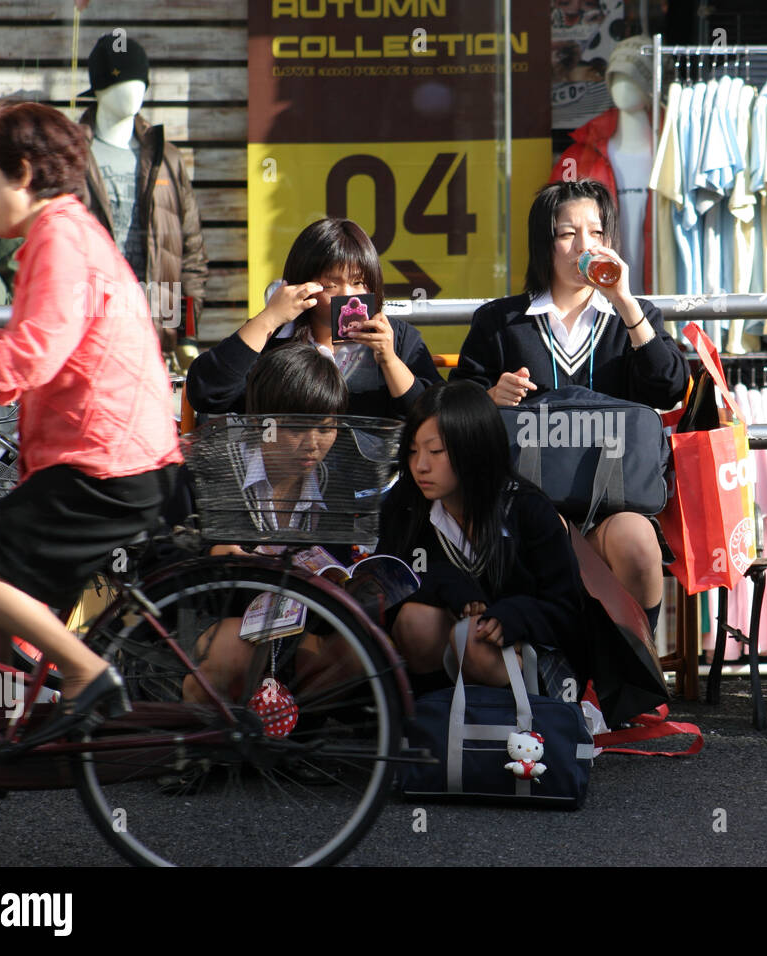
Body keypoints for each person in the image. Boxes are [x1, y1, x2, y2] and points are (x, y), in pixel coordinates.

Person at [0, 99, 181, 743]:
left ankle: (87, 674)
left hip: (106, 463)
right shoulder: (59, 232)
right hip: (110, 457)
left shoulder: (61, 236)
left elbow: (34, 351)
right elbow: (31, 340)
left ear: (25, 172)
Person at [452, 180, 687, 634]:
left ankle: (637, 675)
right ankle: (562, 677)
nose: (585, 246)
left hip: (614, 505)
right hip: (524, 506)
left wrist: (624, 301)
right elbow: (453, 410)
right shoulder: (501, 323)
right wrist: (488, 398)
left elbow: (669, 388)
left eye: (598, 234)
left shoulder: (634, 315)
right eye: (567, 234)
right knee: (545, 539)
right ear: (544, 243)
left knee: (638, 541)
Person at [377, 381, 586, 693]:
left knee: (474, 640)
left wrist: (515, 616)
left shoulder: (527, 508)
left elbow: (569, 611)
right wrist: (441, 583)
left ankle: (513, 729)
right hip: (451, 660)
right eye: (412, 451)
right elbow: (387, 585)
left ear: (475, 448)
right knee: (414, 621)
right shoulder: (405, 504)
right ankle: (439, 718)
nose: (420, 465)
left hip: (533, 663)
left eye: (435, 451)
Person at [183, 344, 359, 705]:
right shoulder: (210, 472)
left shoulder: (336, 482)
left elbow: (336, 562)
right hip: (213, 621)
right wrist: (211, 555)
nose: (313, 445)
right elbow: (162, 559)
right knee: (238, 648)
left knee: (359, 652)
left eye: (327, 428)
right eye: (297, 429)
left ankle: (292, 742)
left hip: (297, 630)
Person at [185, 217, 442, 420]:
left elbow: (431, 418)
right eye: (332, 285)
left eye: (359, 282)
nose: (349, 296)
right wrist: (268, 319)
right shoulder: (272, 336)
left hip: (373, 482)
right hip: (285, 478)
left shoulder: (396, 338)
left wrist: (389, 360)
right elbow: (206, 393)